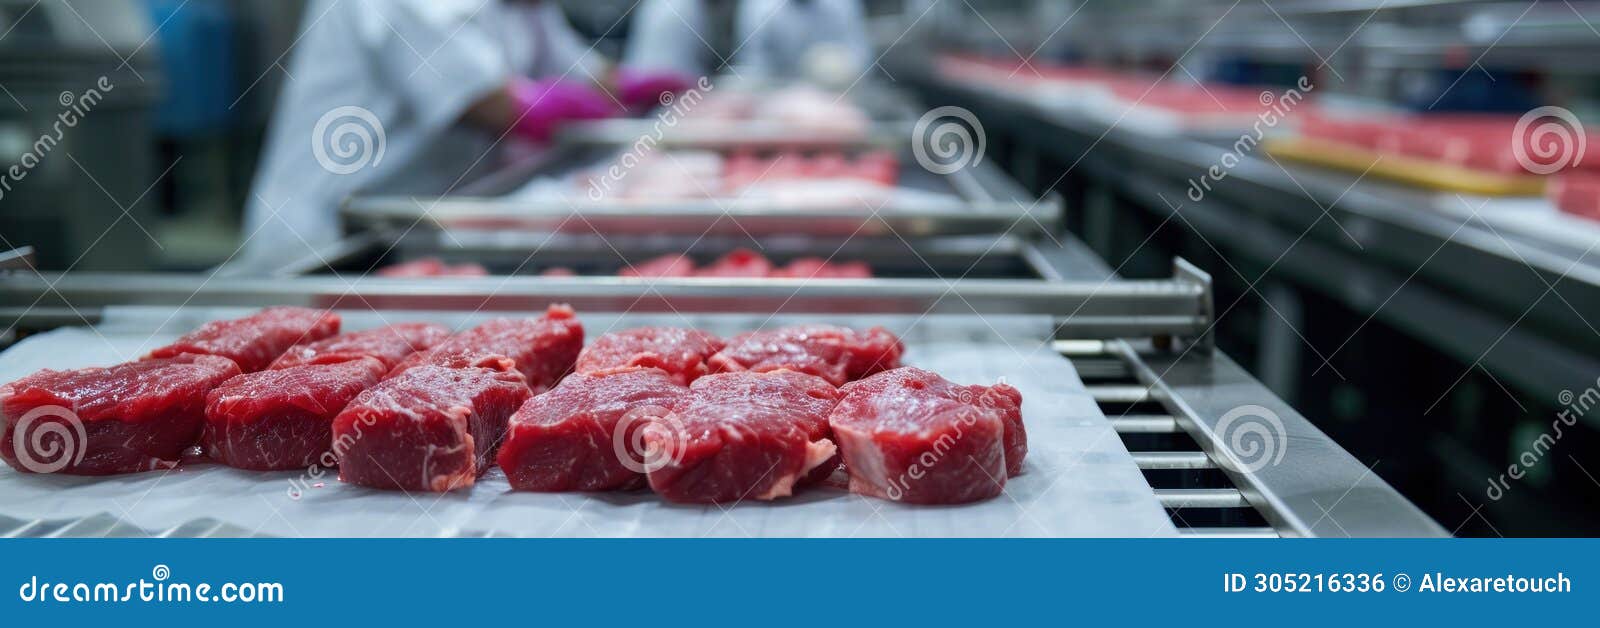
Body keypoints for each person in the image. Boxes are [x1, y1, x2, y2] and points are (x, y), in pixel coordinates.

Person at [241, 0, 683, 265]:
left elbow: (585, 73)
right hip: (329, 235)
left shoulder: (518, 6)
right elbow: (489, 104)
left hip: (412, 228)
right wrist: (549, 106)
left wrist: (635, 87)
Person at [735, 0, 871, 82]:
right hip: (775, 96)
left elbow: (861, 56)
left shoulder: (842, 5)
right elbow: (752, 64)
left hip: (834, 93)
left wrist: (841, 68)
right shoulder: (758, 7)